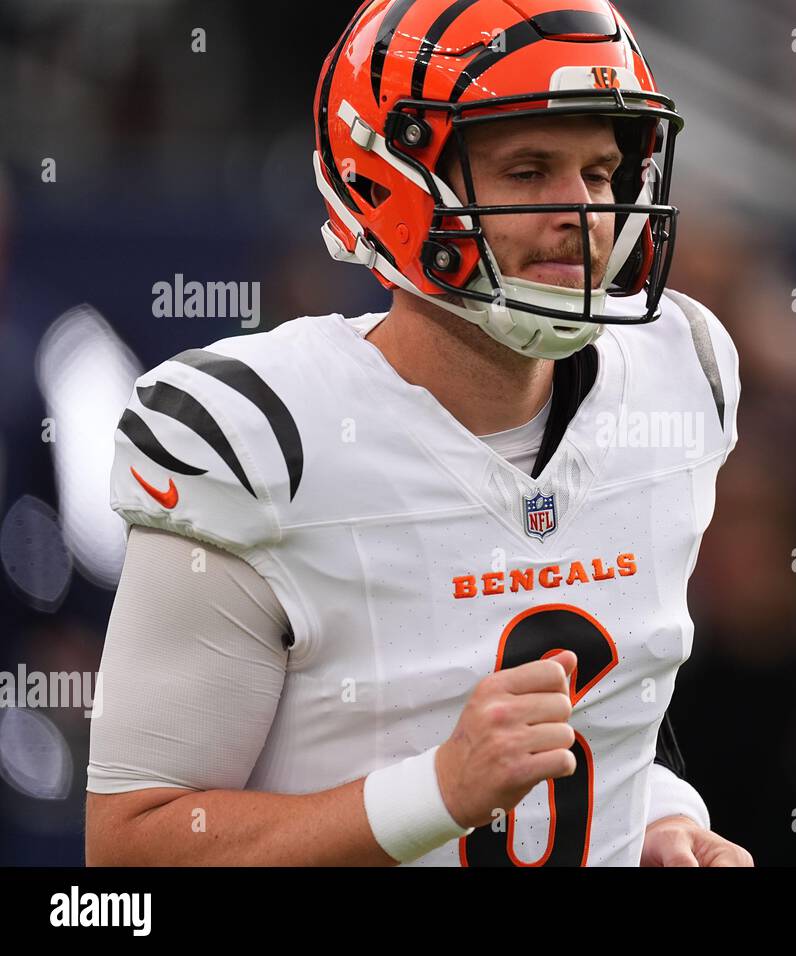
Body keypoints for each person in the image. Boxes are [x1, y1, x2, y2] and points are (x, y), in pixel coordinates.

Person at [84, 0, 749, 867]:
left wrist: (659, 819)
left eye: (601, 171)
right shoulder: (261, 435)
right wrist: (434, 793)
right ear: (388, 178)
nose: (583, 212)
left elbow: (602, 715)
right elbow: (127, 858)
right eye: (528, 169)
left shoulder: (680, 373)